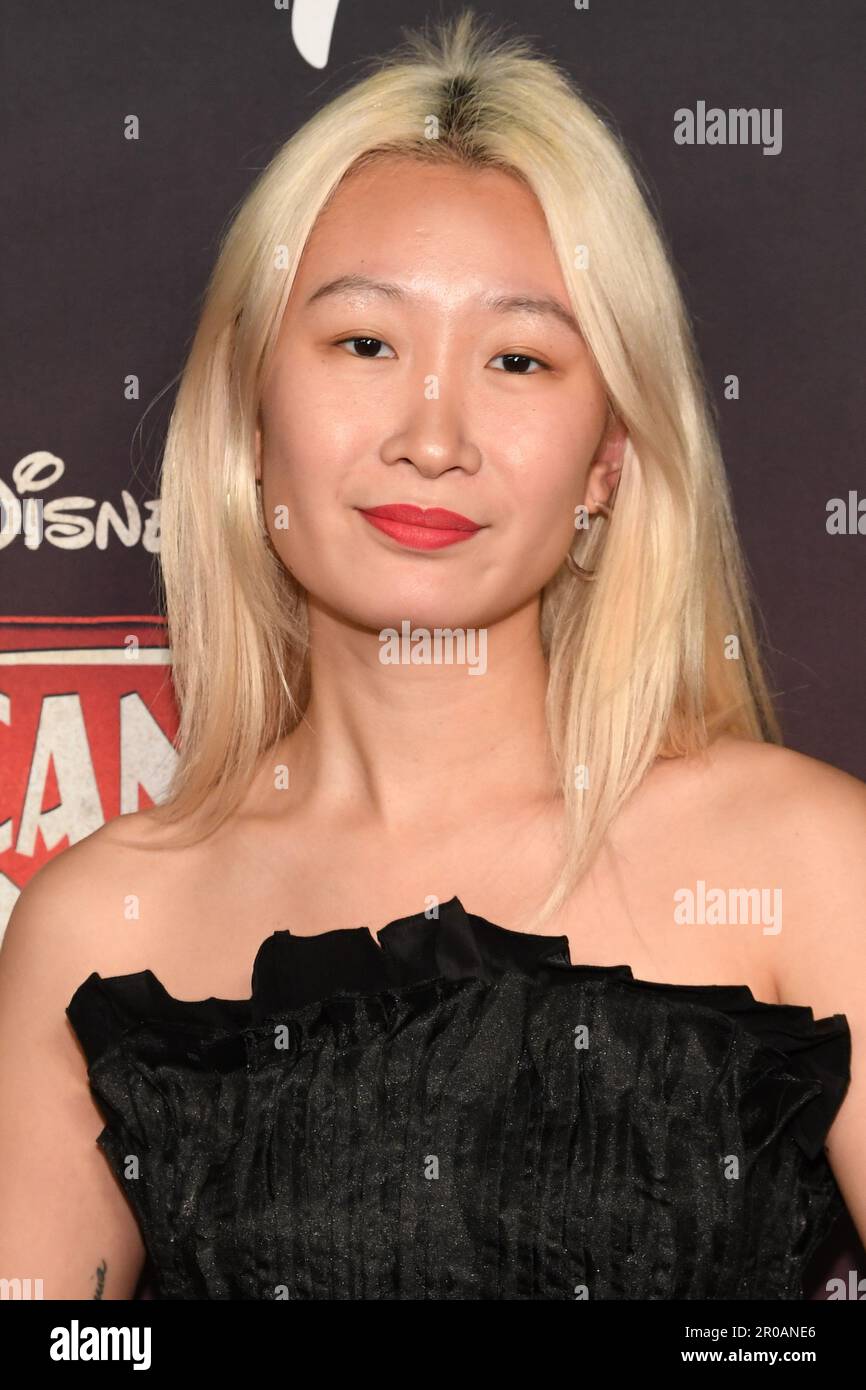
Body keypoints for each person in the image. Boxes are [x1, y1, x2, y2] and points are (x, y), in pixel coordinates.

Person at [0, 9, 863, 1301]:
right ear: (245, 413)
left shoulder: (803, 862)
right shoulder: (97, 931)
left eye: (517, 358)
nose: (432, 433)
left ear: (606, 461)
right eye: (364, 342)